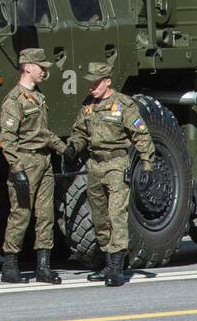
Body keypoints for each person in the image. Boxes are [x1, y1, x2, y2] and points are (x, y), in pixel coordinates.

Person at [66, 63, 154, 287]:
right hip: (94, 165)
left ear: (108, 81)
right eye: (90, 82)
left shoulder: (123, 105)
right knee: (99, 217)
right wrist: (73, 147)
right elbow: (80, 133)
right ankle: (107, 261)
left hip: (116, 164)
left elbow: (141, 135)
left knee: (117, 214)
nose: (92, 86)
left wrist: (147, 165)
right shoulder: (88, 105)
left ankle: (117, 267)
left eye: (96, 82)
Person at [0, 48, 65, 285]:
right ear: (27, 67)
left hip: (44, 161)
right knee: (21, 214)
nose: (44, 71)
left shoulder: (39, 97)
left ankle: (43, 267)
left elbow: (43, 133)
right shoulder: (14, 100)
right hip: (25, 162)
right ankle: (10, 265)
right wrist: (17, 169)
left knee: (46, 215)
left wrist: (63, 148)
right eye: (41, 67)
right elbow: (7, 139)